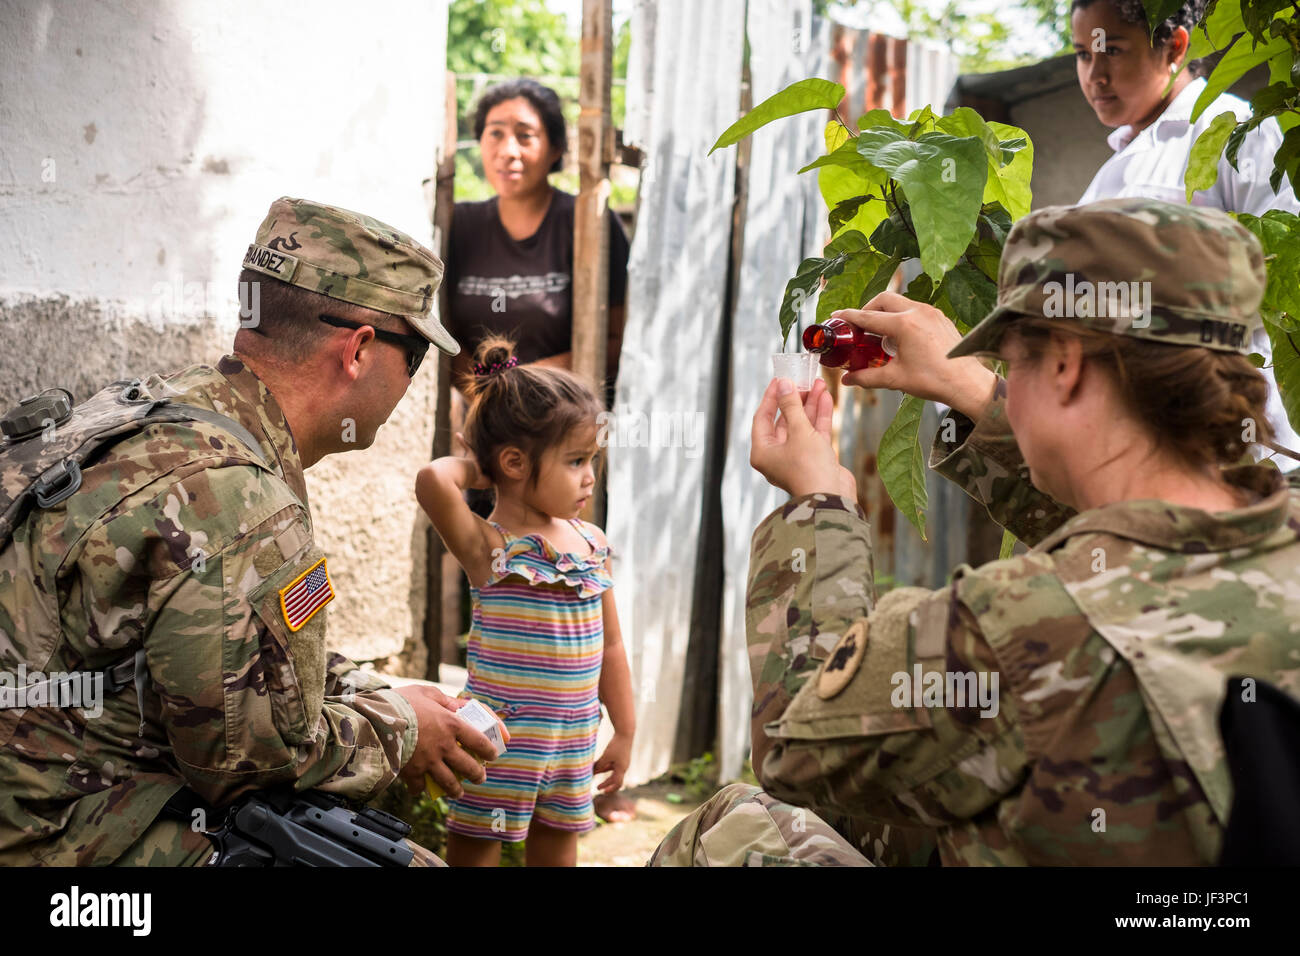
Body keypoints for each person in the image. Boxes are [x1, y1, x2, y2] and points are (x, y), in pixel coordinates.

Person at [651, 198, 1300, 866]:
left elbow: (795, 741)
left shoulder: (1018, 626)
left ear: (1066, 364)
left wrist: (819, 505)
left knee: (734, 832)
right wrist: (975, 389)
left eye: (1012, 364)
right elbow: (1146, 529)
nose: (1004, 386)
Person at [0, 197, 502, 866]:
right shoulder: (239, 499)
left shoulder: (170, 409)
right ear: (358, 350)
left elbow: (223, 655)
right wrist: (404, 733)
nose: (413, 380)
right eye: (413, 358)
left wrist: (371, 691)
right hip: (46, 838)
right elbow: (247, 762)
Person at [416, 336, 636, 865]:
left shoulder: (592, 543)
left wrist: (625, 730)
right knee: (475, 848)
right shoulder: (490, 548)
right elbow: (432, 480)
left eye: (593, 459)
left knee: (559, 844)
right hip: (497, 740)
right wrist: (481, 467)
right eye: (576, 460)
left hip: (571, 740)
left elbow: (611, 648)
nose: (590, 476)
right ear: (515, 462)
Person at [1071, 0, 1300, 465]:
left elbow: (1285, 286)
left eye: (1111, 50)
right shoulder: (1112, 170)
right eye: (1082, 53)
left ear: (1175, 46)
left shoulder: (1237, 130)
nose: (1094, 75)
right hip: (1152, 447)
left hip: (1246, 450)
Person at [443, 78, 630, 395]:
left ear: (554, 148)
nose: (508, 151)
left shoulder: (591, 224)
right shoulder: (460, 225)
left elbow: (617, 341)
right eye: (495, 134)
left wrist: (513, 387)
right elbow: (445, 337)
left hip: (566, 418)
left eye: (525, 136)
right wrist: (485, 396)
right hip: (483, 423)